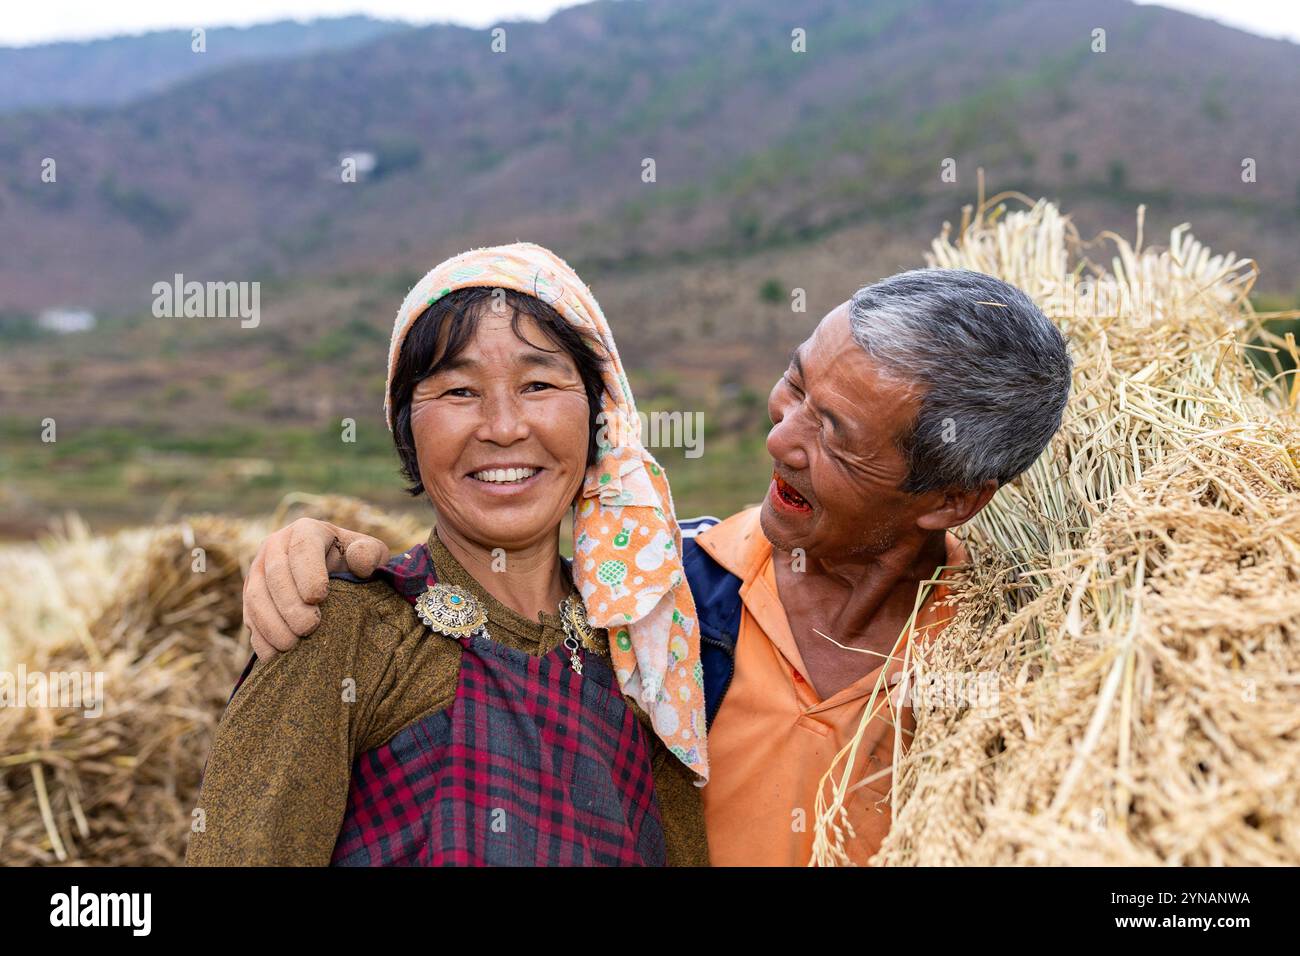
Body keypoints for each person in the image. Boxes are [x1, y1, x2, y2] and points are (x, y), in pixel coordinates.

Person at [243, 267, 1072, 865]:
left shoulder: (1025, 669)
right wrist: (315, 554)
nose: (781, 438)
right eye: (794, 386)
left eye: (838, 435)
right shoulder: (661, 607)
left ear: (952, 499)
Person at [187, 243, 710, 867]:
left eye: (539, 384)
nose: (504, 426)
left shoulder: (643, 649)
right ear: (407, 428)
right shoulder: (343, 635)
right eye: (460, 391)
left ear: (600, 416)